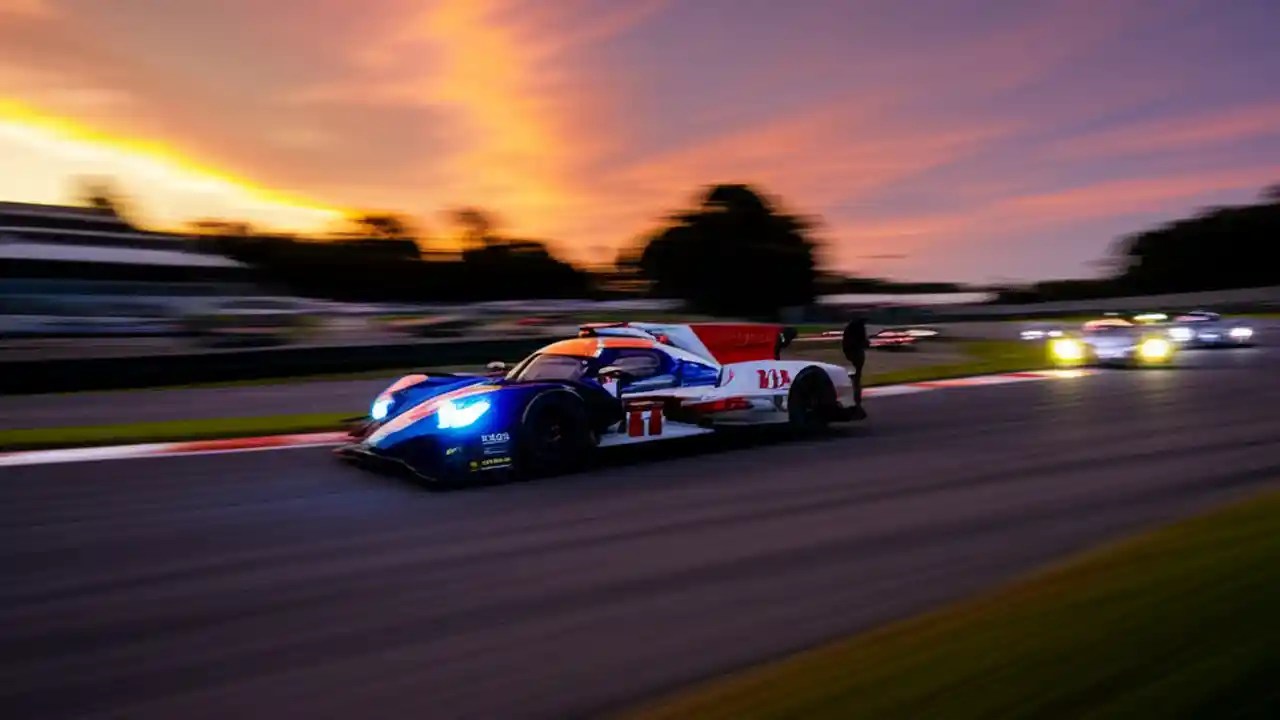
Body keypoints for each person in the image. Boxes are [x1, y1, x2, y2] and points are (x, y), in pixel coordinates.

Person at [842, 315, 869, 410]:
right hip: (857, 355)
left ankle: (851, 399)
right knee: (856, 379)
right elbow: (865, 343)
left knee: (852, 378)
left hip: (849, 355)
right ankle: (856, 400)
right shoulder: (860, 328)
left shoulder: (849, 328)